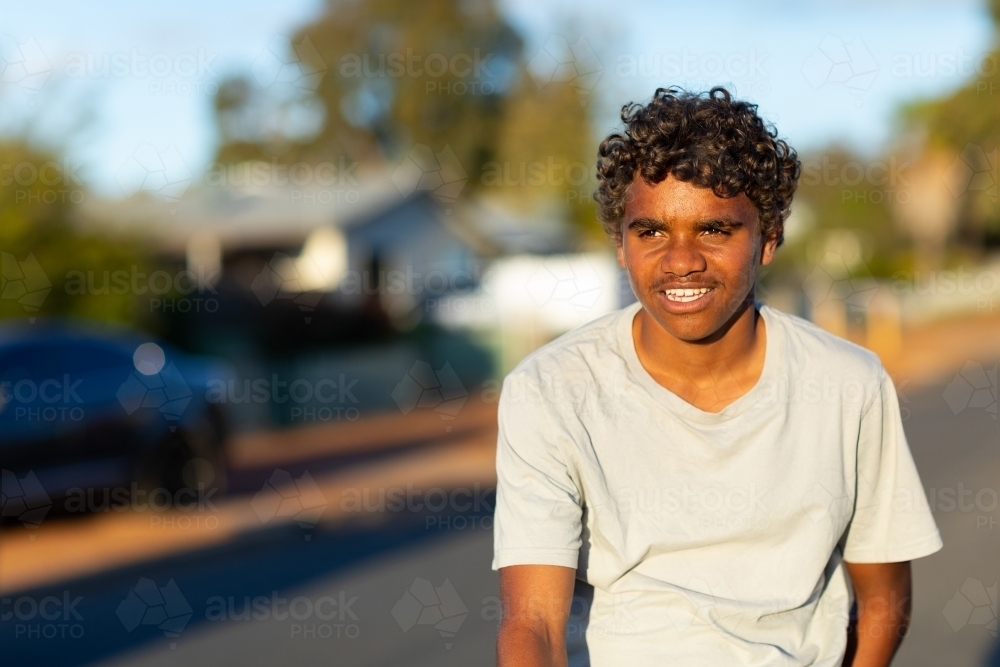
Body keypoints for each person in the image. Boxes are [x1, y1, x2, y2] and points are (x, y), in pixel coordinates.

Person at [492, 87, 942, 667]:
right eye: (651, 231)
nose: (681, 260)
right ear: (621, 244)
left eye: (715, 230)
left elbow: (883, 597)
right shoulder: (550, 392)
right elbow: (534, 628)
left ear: (769, 237)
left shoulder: (848, 383)